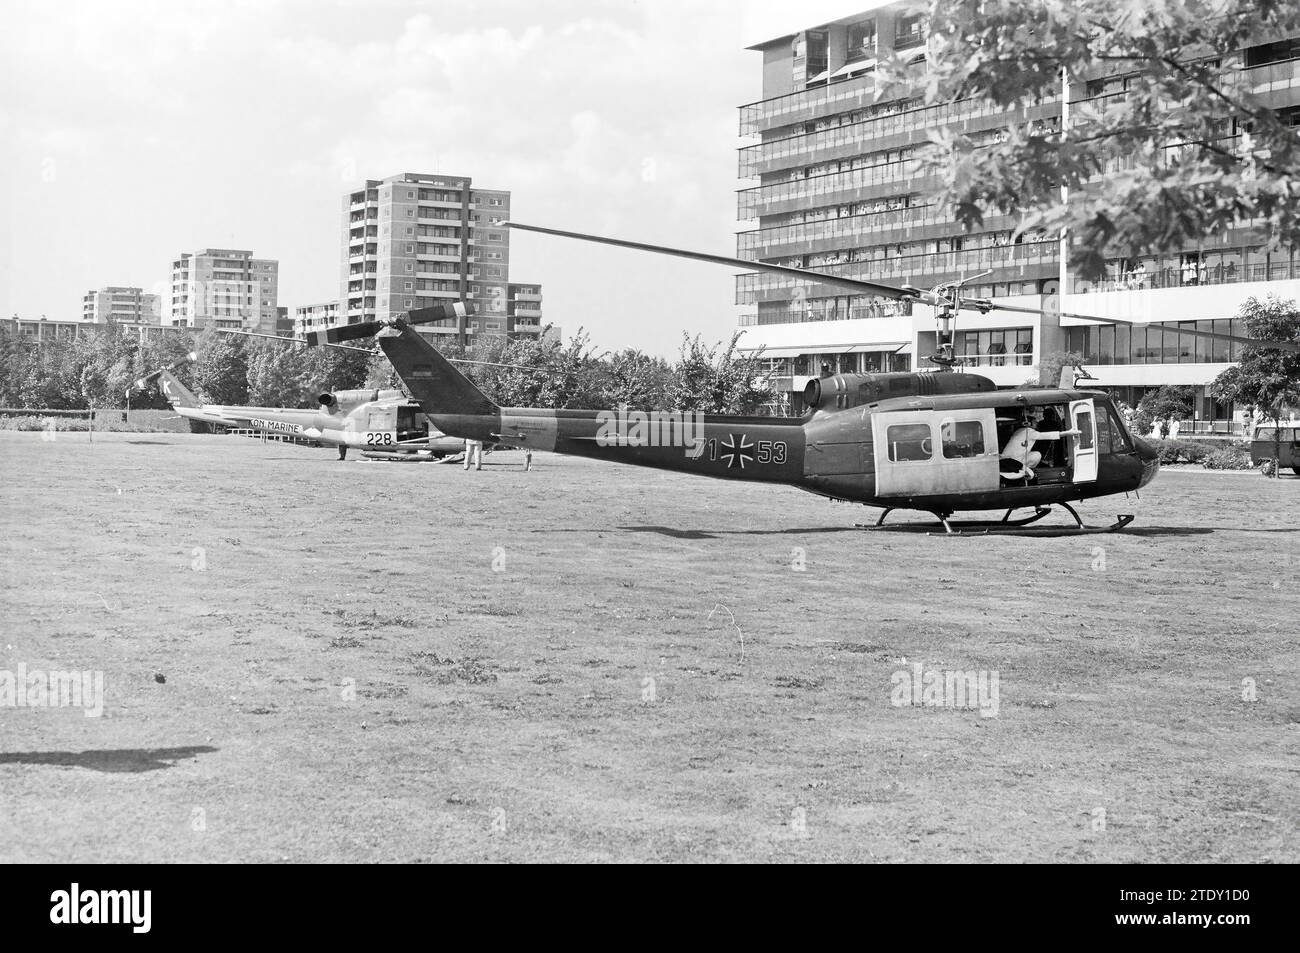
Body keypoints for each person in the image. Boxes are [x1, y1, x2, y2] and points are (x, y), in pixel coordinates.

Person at [1000, 408, 1079, 482]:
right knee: (1037, 455)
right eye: (1035, 422)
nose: (1037, 423)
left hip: (1006, 460)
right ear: (1029, 423)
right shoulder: (1029, 432)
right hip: (1013, 462)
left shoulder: (1019, 430)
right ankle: (1025, 470)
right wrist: (1068, 432)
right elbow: (1047, 436)